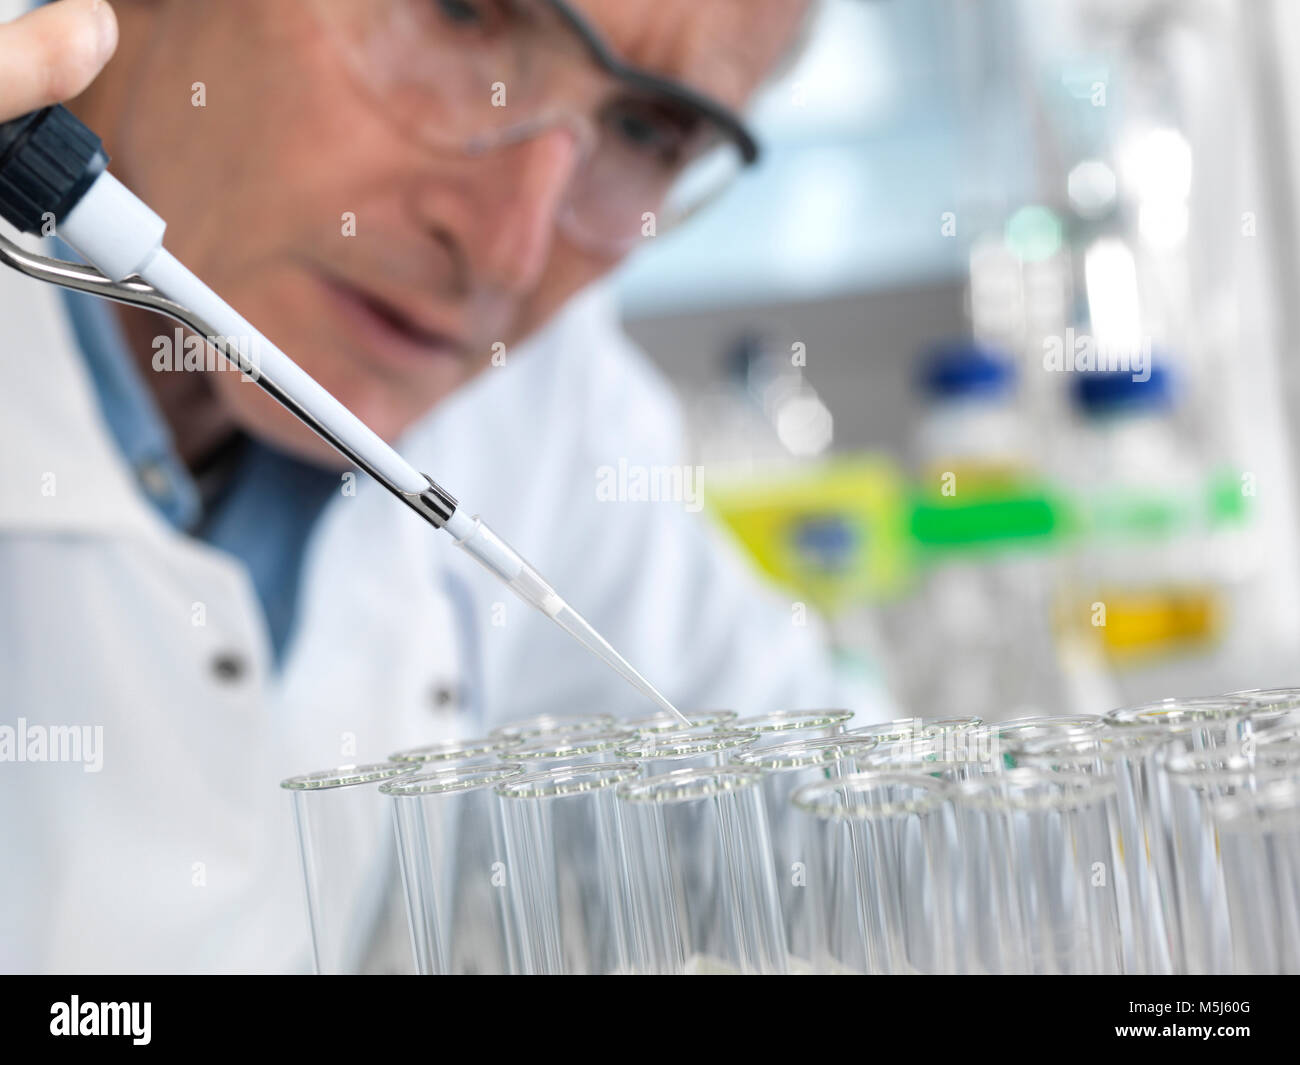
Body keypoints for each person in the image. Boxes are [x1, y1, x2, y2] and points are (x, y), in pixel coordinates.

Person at [0, 0, 888, 972]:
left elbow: (847, 817)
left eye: (647, 131)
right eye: (464, 16)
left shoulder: (546, 400)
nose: (505, 249)